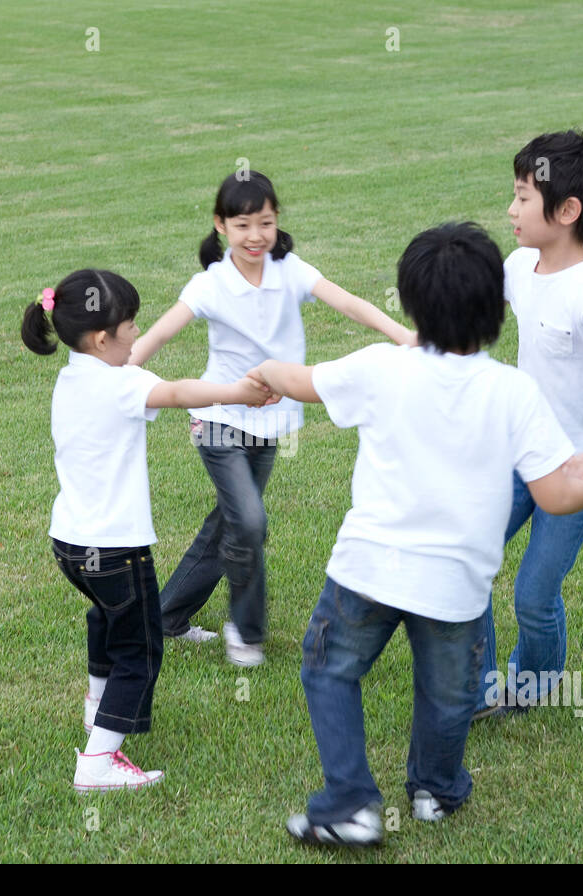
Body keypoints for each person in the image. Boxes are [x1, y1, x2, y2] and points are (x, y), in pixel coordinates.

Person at [251, 222, 583, 846]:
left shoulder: (381, 367)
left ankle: (350, 802)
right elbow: (556, 494)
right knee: (448, 697)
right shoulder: (515, 393)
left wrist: (265, 372)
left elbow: (302, 382)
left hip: (367, 569)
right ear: (498, 311)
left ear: (410, 304)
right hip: (456, 586)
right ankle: (435, 792)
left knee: (329, 670)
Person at [128, 170, 414, 667]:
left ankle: (166, 616)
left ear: (277, 221)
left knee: (229, 525)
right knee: (250, 522)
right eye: (242, 225)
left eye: (265, 223)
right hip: (217, 419)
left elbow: (347, 301)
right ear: (221, 226)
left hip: (268, 425)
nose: (255, 236)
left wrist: (401, 334)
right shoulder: (210, 285)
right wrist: (122, 373)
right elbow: (159, 334)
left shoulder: (292, 272)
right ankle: (247, 628)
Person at [22, 269, 275, 792]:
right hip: (118, 549)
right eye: (131, 325)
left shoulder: (71, 377)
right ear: (101, 339)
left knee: (106, 617)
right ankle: (97, 763)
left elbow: (165, 386)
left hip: (70, 544)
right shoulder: (121, 384)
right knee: (138, 650)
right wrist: (238, 392)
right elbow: (180, 392)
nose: (139, 334)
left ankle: (97, 706)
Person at [473, 129, 583, 720]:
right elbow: (469, 322)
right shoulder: (518, 264)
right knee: (466, 556)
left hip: (573, 468)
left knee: (533, 594)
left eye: (523, 196)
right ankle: (475, 687)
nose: (511, 209)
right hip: (518, 453)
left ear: (567, 211)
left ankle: (528, 687)